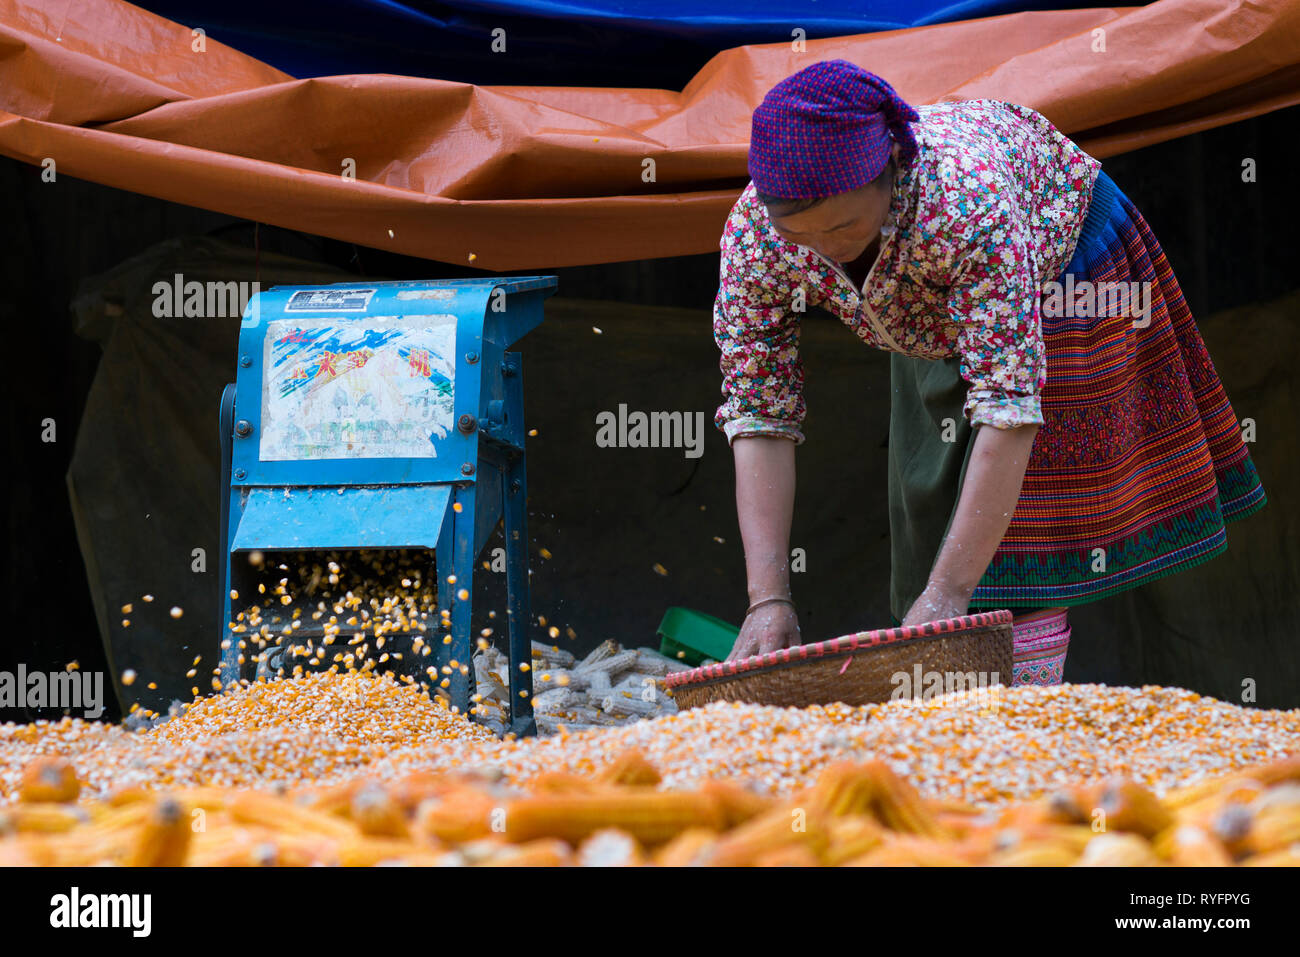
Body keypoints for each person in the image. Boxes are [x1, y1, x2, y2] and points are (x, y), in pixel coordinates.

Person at [713, 60, 1266, 684]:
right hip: (924, 312)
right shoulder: (755, 238)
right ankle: (946, 692)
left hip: (1063, 271)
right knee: (929, 510)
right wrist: (769, 598)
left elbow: (1008, 410)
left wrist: (949, 596)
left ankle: (1015, 728)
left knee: (1021, 548)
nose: (826, 249)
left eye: (842, 226)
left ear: (893, 172)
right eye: (801, 237)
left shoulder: (966, 207)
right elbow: (761, 411)